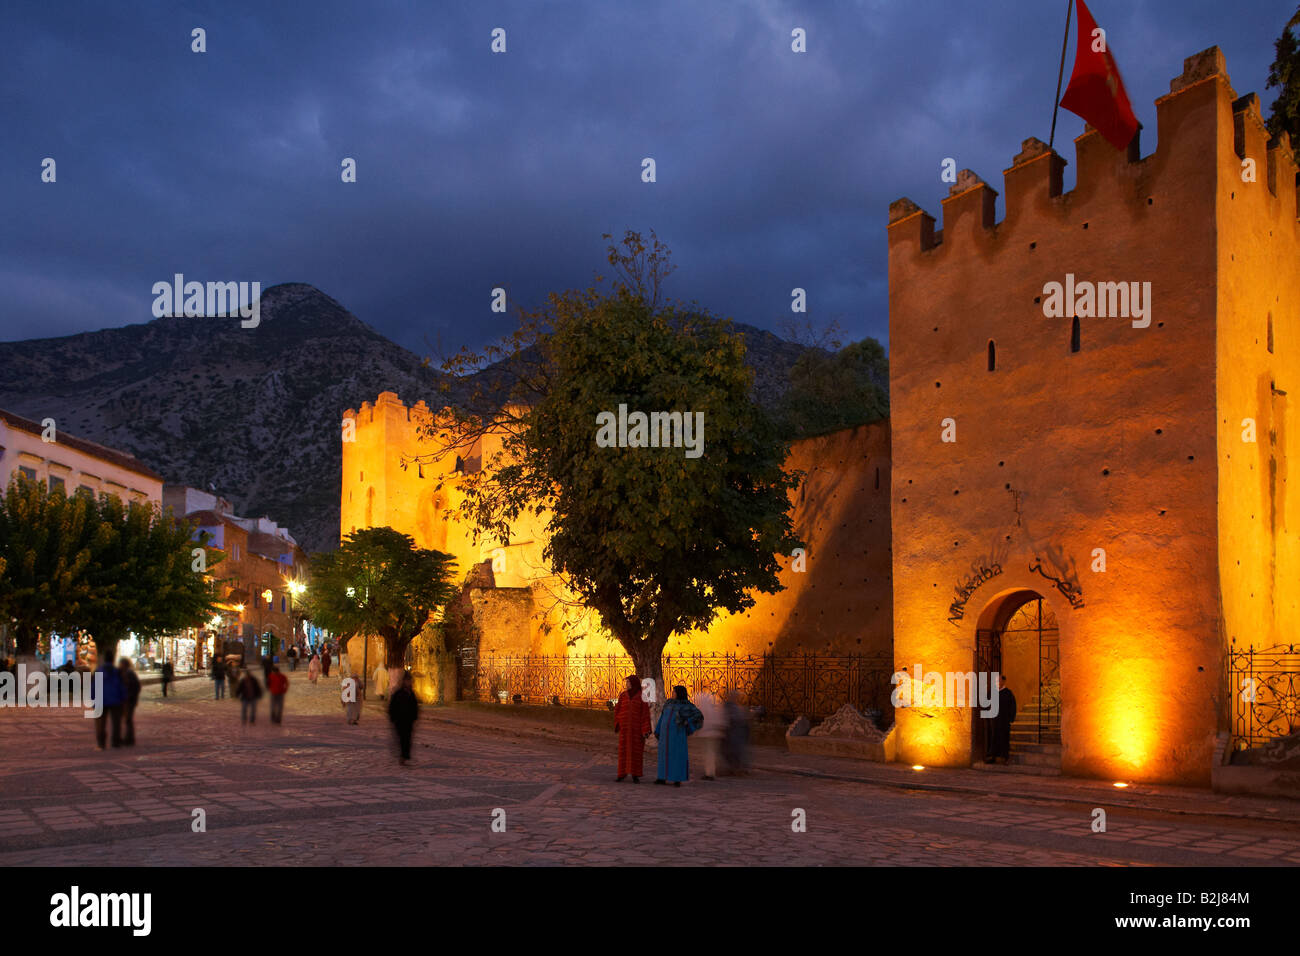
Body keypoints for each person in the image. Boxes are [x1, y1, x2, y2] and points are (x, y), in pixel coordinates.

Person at [654, 685, 703, 786]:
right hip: (665, 736)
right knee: (664, 757)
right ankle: (662, 778)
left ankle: (677, 779)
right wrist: (658, 730)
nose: (672, 693)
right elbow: (662, 717)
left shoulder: (686, 705)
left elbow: (698, 716)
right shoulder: (668, 703)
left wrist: (687, 723)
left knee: (677, 757)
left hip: (677, 736)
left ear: (679, 693)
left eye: (674, 692)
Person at [613, 675, 652, 782]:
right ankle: (622, 774)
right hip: (625, 730)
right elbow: (618, 709)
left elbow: (645, 715)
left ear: (634, 684)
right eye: (627, 682)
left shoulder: (642, 697)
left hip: (636, 731)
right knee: (623, 752)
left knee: (636, 753)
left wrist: (645, 730)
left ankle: (635, 775)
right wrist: (618, 722)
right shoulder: (623, 696)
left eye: (629, 682)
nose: (627, 684)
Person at [92, 657, 125, 749]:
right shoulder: (117, 672)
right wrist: (123, 698)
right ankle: (115, 742)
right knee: (116, 722)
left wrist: (93, 699)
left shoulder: (98, 671)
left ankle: (101, 744)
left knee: (101, 723)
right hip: (115, 700)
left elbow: (94, 686)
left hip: (101, 700)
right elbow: (121, 686)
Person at [693, 689, 727, 781]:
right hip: (714, 732)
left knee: (708, 753)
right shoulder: (715, 703)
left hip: (706, 733)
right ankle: (711, 771)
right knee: (711, 753)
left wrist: (696, 730)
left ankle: (710, 773)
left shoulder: (702, 707)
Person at [985, 674, 1017, 764]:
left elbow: (1012, 706)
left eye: (999, 681)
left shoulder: (1008, 693)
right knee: (993, 738)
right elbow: (986, 705)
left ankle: (1005, 757)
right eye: (996, 681)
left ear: (1003, 681)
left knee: (1004, 738)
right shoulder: (991, 693)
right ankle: (992, 756)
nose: (997, 683)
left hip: (1004, 720)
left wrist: (1011, 718)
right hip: (993, 721)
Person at [387, 672, 418, 764]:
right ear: (404, 681)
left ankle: (404, 755)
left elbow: (414, 706)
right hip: (400, 720)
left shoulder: (411, 693)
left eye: (410, 681)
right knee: (402, 738)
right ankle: (403, 756)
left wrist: (414, 717)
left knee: (407, 738)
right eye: (407, 681)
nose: (409, 682)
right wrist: (393, 717)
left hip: (408, 720)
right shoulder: (398, 693)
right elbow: (392, 706)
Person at [722, 690, 751, 774]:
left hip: (734, 733)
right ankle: (736, 767)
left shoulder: (733, 706)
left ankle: (736, 767)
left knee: (735, 750)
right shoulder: (731, 706)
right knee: (735, 750)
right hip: (733, 732)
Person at [119, 658, 142, 746]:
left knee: (128, 720)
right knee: (127, 720)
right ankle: (128, 738)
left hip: (128, 700)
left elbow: (136, 687)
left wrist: (131, 696)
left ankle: (129, 739)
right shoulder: (127, 673)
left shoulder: (129, 673)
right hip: (128, 700)